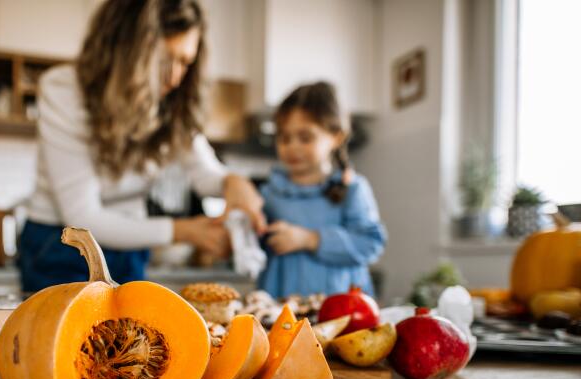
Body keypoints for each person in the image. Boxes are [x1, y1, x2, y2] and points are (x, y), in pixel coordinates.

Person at [19, 0, 265, 292]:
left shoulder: (170, 103)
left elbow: (204, 172)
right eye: (163, 60)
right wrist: (185, 231)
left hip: (129, 249)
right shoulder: (64, 90)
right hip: (61, 246)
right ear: (125, 50)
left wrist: (232, 182)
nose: (174, 78)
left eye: (185, 62)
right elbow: (83, 217)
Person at [258, 82, 386, 298]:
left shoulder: (353, 190)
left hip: (343, 313)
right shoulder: (268, 194)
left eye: (305, 137)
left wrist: (310, 239)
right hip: (280, 311)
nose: (292, 147)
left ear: (337, 137)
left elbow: (370, 244)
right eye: (284, 137)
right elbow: (255, 247)